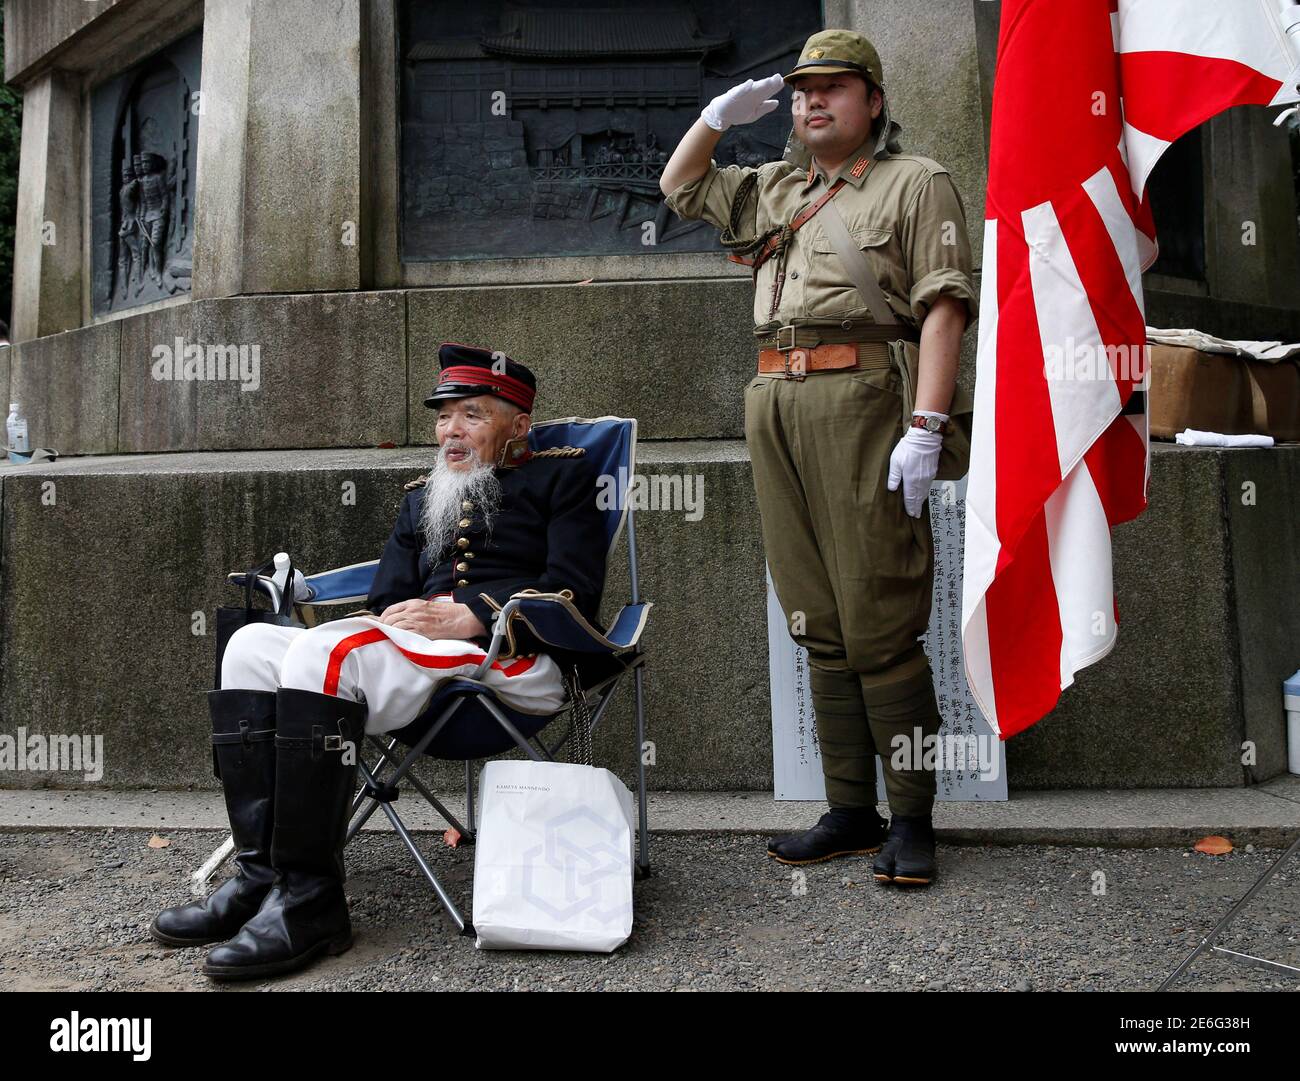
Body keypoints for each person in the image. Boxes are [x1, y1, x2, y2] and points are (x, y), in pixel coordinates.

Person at [149, 344, 606, 978]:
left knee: (326, 648)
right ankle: (263, 877)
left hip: (503, 662)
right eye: (444, 416)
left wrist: (473, 612)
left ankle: (311, 904)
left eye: (472, 414)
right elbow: (390, 595)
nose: (451, 430)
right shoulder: (423, 496)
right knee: (249, 646)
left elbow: (575, 589)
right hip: (413, 656)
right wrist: (404, 617)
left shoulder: (564, 475)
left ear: (518, 425)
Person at [660, 29, 977, 885]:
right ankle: (849, 810)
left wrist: (925, 421)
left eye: (834, 87)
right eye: (803, 89)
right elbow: (680, 186)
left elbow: (943, 308)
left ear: (873, 101)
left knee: (880, 614)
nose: (811, 101)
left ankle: (912, 818)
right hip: (774, 398)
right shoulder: (779, 186)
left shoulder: (917, 183)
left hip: (865, 397)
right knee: (816, 615)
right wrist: (715, 119)